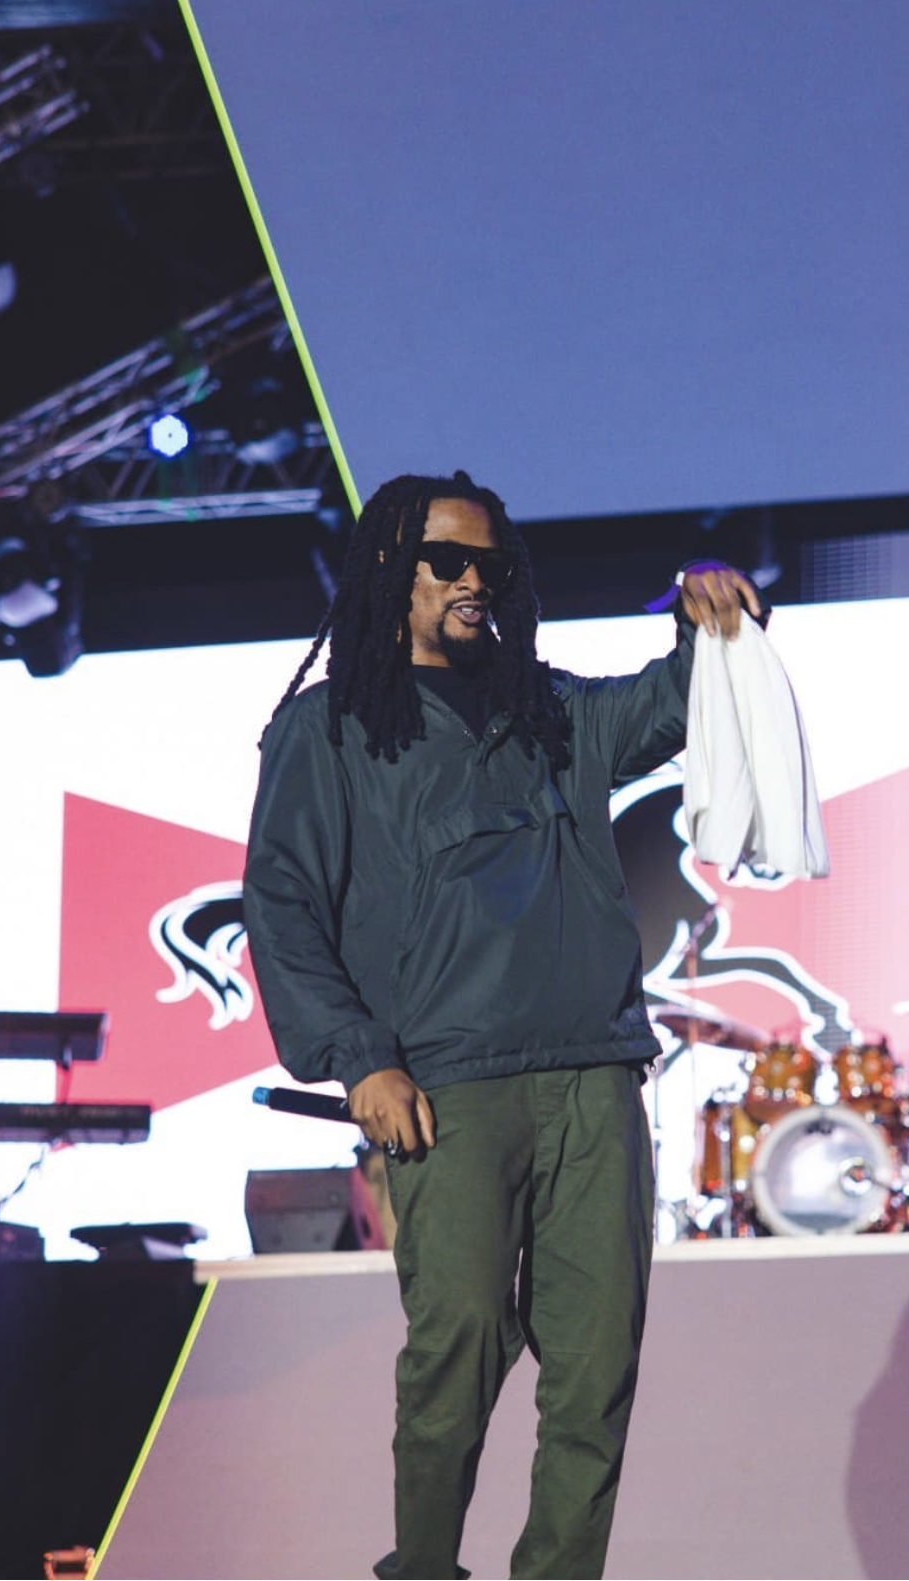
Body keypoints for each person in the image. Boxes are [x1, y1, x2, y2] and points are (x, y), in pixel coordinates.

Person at [243, 469, 759, 1579]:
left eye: (491, 563)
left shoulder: (551, 711)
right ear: (392, 570)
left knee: (596, 1364)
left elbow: (672, 703)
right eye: (448, 561)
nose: (474, 580)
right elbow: (280, 906)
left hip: (594, 1075)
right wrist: (360, 1060)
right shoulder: (329, 728)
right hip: (447, 1084)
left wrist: (704, 614)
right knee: (463, 1341)